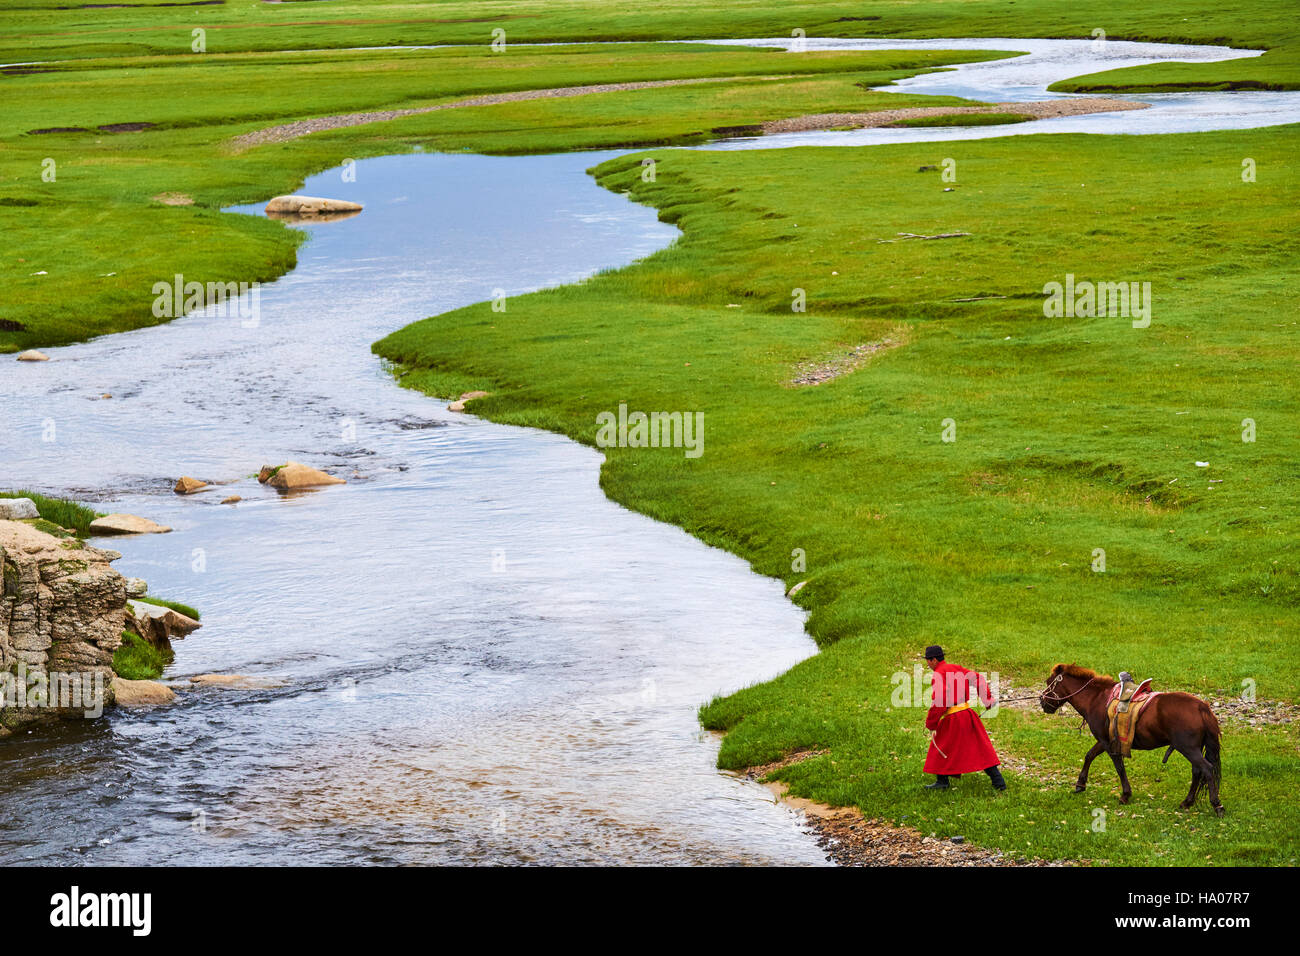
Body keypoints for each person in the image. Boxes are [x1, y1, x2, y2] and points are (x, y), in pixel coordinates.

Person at [921, 645, 1006, 791]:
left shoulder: (938, 674)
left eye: (928, 661)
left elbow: (939, 702)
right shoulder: (956, 668)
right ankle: (998, 782)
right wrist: (987, 700)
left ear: (934, 660)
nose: (927, 664)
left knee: (940, 746)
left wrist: (931, 723)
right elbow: (978, 678)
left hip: (952, 718)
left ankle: (942, 782)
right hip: (967, 714)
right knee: (980, 749)